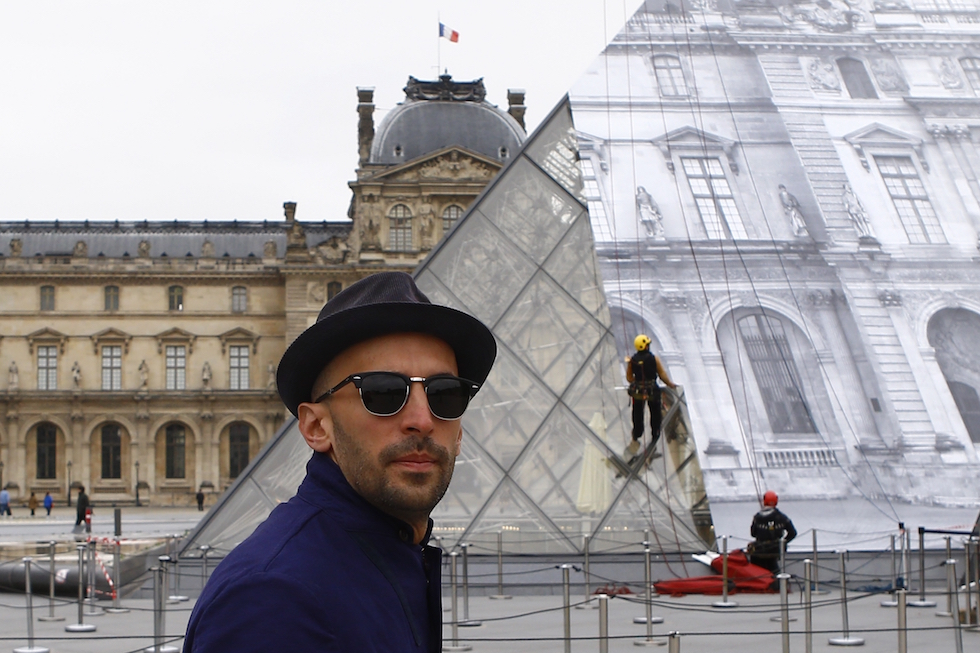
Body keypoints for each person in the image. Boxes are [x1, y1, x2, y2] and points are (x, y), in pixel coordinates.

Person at [184, 271, 496, 652]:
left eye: (445, 394)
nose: (423, 419)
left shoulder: (394, 552)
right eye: (383, 392)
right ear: (317, 426)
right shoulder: (273, 597)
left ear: (460, 432)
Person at [624, 334, 676, 462]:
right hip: (653, 390)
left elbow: (629, 378)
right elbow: (662, 374)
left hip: (638, 392)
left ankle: (637, 433)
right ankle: (655, 434)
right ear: (646, 346)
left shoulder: (632, 361)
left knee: (637, 413)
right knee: (655, 414)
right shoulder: (654, 359)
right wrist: (670, 384)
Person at [748, 490, 797, 574]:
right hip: (775, 550)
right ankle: (776, 584)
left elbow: (753, 533)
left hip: (759, 552)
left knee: (758, 572)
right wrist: (783, 542)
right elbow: (792, 533)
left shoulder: (757, 517)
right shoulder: (782, 517)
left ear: (764, 501)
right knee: (773, 572)